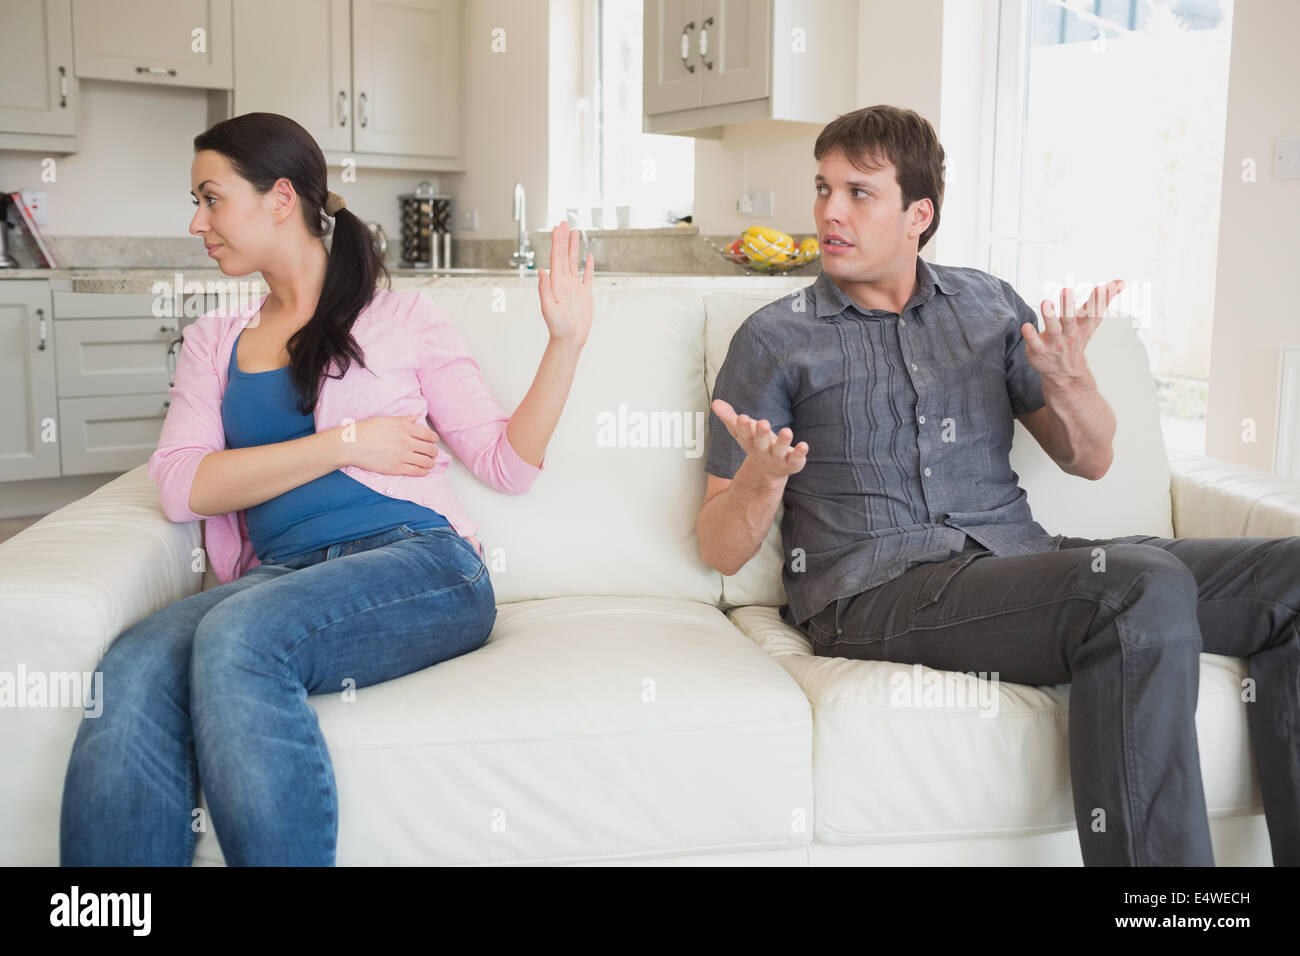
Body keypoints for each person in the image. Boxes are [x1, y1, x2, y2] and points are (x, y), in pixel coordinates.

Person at [697, 104, 1300, 866]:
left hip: (1013, 564)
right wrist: (762, 480)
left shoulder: (987, 306)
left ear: (920, 213)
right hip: (874, 590)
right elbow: (718, 546)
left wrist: (1072, 381)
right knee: (1135, 587)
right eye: (823, 189)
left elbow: (1091, 458)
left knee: (1292, 577)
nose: (828, 213)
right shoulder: (776, 337)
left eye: (858, 193)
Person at [60, 112, 594, 866]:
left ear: (280, 199)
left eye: (210, 199)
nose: (196, 222)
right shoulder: (216, 338)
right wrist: (347, 442)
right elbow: (184, 486)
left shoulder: (405, 318)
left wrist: (565, 345)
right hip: (281, 577)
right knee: (136, 662)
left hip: (422, 563)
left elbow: (506, 462)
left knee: (239, 640)